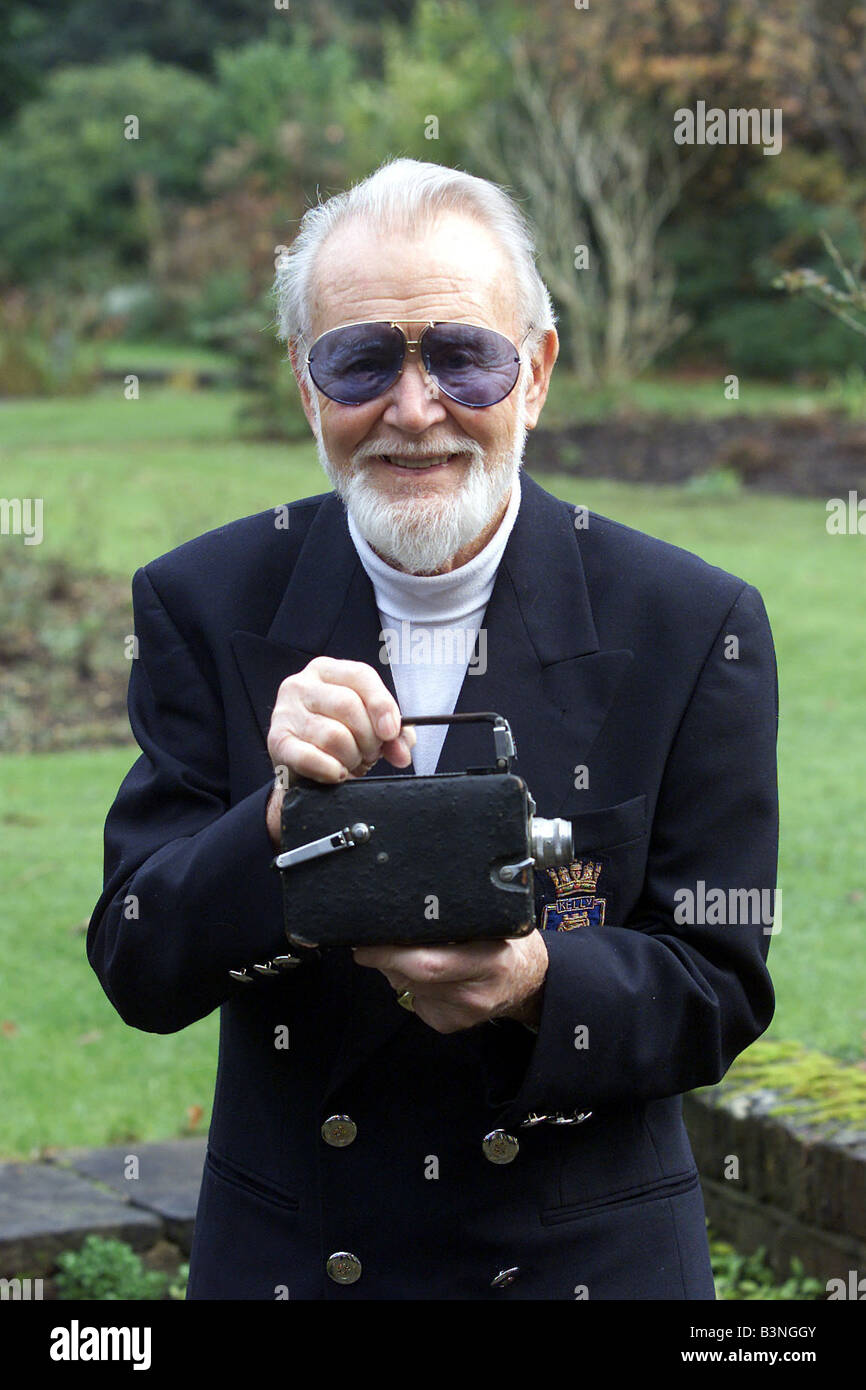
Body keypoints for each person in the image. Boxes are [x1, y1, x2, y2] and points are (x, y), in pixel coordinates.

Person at [87, 158, 778, 1300]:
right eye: (359, 360)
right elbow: (136, 962)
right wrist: (270, 820)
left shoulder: (688, 622)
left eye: (463, 354)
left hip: (580, 1267)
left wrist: (537, 982)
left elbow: (720, 986)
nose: (414, 410)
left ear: (537, 372)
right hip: (299, 1263)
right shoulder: (202, 601)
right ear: (307, 387)